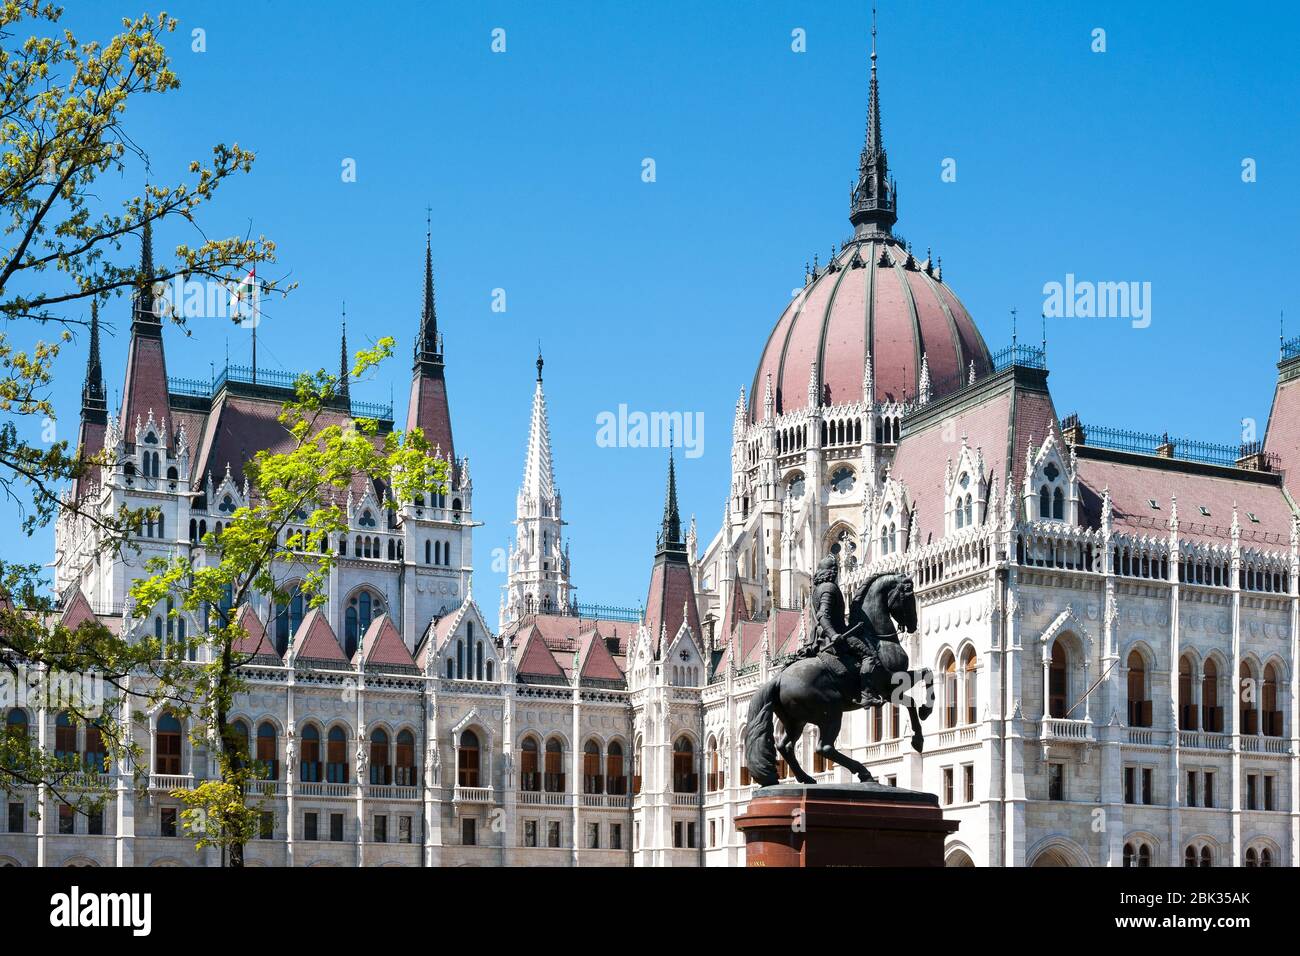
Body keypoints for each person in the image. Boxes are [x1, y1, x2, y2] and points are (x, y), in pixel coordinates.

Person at [804, 556, 884, 707]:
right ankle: (867, 694)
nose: (836, 573)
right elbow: (823, 615)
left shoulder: (817, 590)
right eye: (835, 570)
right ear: (832, 572)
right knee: (869, 656)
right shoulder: (829, 588)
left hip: (821, 638)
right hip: (834, 637)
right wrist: (833, 634)